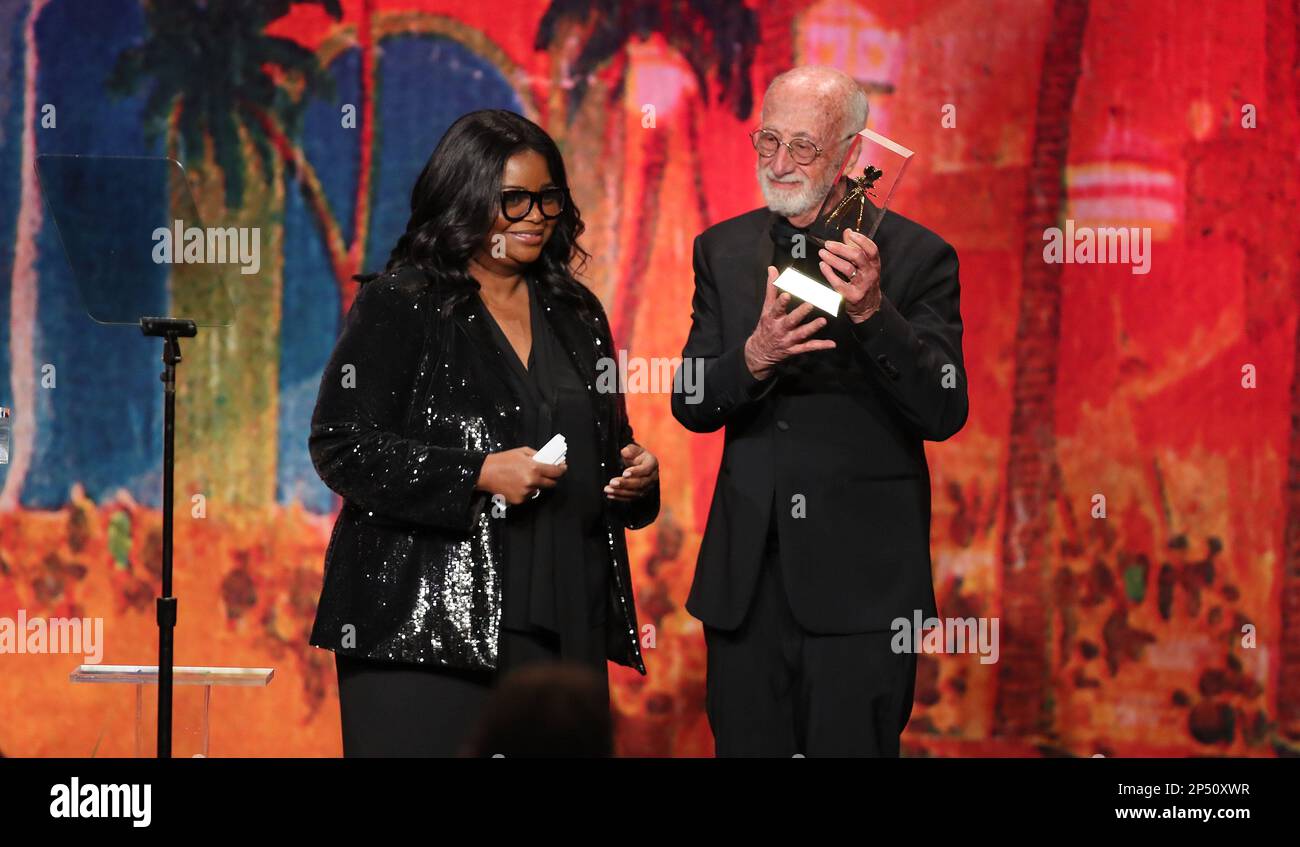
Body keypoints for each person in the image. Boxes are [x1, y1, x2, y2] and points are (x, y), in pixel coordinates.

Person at [308, 109, 660, 756]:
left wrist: (637, 476)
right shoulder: (403, 301)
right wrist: (476, 472)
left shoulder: (579, 315)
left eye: (548, 198)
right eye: (514, 200)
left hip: (562, 628)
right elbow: (341, 443)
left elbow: (609, 441)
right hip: (423, 628)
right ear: (466, 199)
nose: (534, 215)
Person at [672, 66, 968, 756]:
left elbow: (945, 407)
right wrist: (755, 355)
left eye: (802, 147)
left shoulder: (920, 257)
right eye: (767, 141)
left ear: (848, 153)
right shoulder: (722, 250)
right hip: (745, 587)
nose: (778, 163)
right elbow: (690, 400)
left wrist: (872, 311)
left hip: (863, 594)